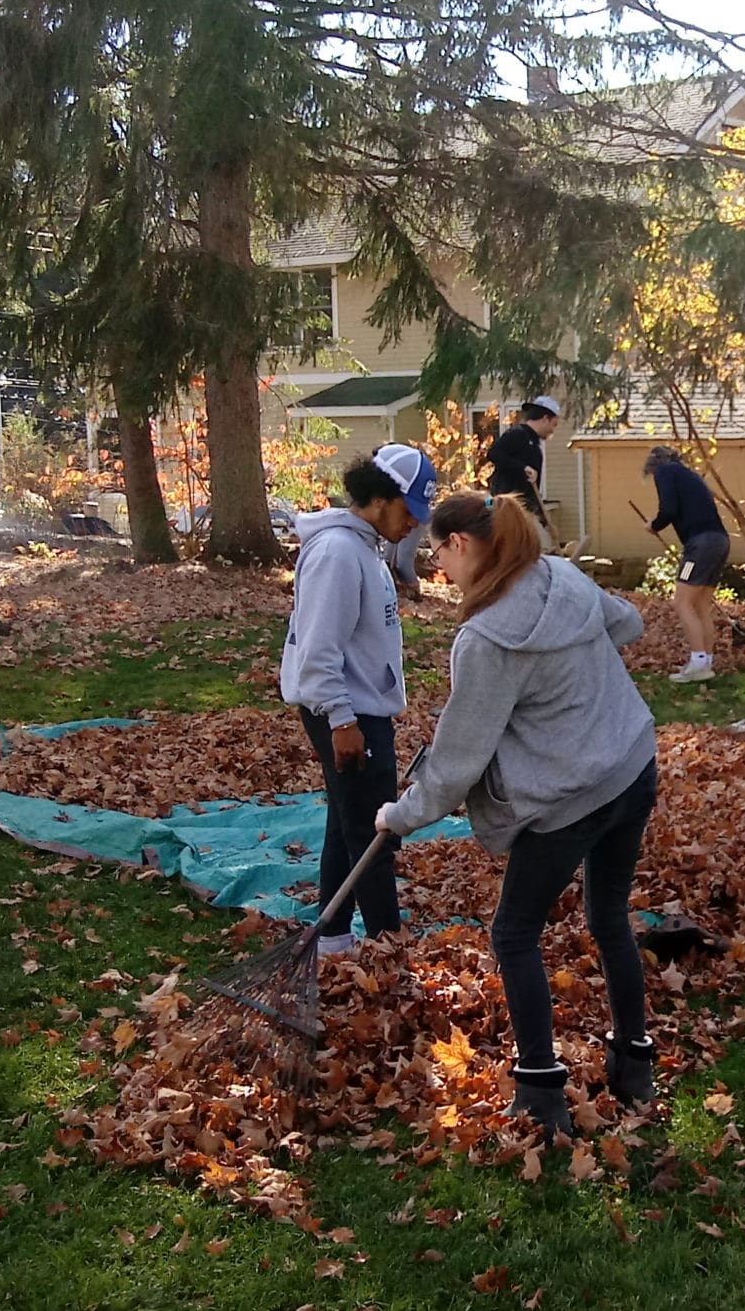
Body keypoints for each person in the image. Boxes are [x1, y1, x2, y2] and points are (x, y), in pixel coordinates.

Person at [376, 491, 659, 1136]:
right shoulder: (563, 578)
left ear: (464, 544)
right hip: (633, 765)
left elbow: (458, 760)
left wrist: (400, 816)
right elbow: (628, 624)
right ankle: (634, 1065)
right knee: (609, 917)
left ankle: (539, 1089)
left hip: (572, 800)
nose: (438, 570)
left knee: (513, 933)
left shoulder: (487, 640)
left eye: (437, 554)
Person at [279, 444, 438, 954]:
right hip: (345, 713)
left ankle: (332, 938)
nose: (414, 524)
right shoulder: (337, 553)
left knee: (346, 824)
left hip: (360, 709)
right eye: (409, 510)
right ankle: (390, 948)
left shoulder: (364, 548)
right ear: (380, 498)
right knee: (375, 836)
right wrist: (342, 721)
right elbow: (319, 648)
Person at [644, 446, 730, 683]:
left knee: (681, 602)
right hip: (719, 541)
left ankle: (698, 663)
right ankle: (706, 663)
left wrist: (655, 525)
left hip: (700, 545)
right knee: (701, 605)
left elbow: (669, 509)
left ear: (654, 465)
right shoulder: (689, 475)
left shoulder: (665, 472)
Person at [485, 397, 562, 546]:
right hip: (505, 509)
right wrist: (522, 468)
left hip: (524, 512)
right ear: (545, 418)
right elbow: (493, 453)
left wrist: (545, 522)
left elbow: (532, 493)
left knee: (540, 545)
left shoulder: (534, 446)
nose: (553, 430)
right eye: (554, 424)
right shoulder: (517, 434)